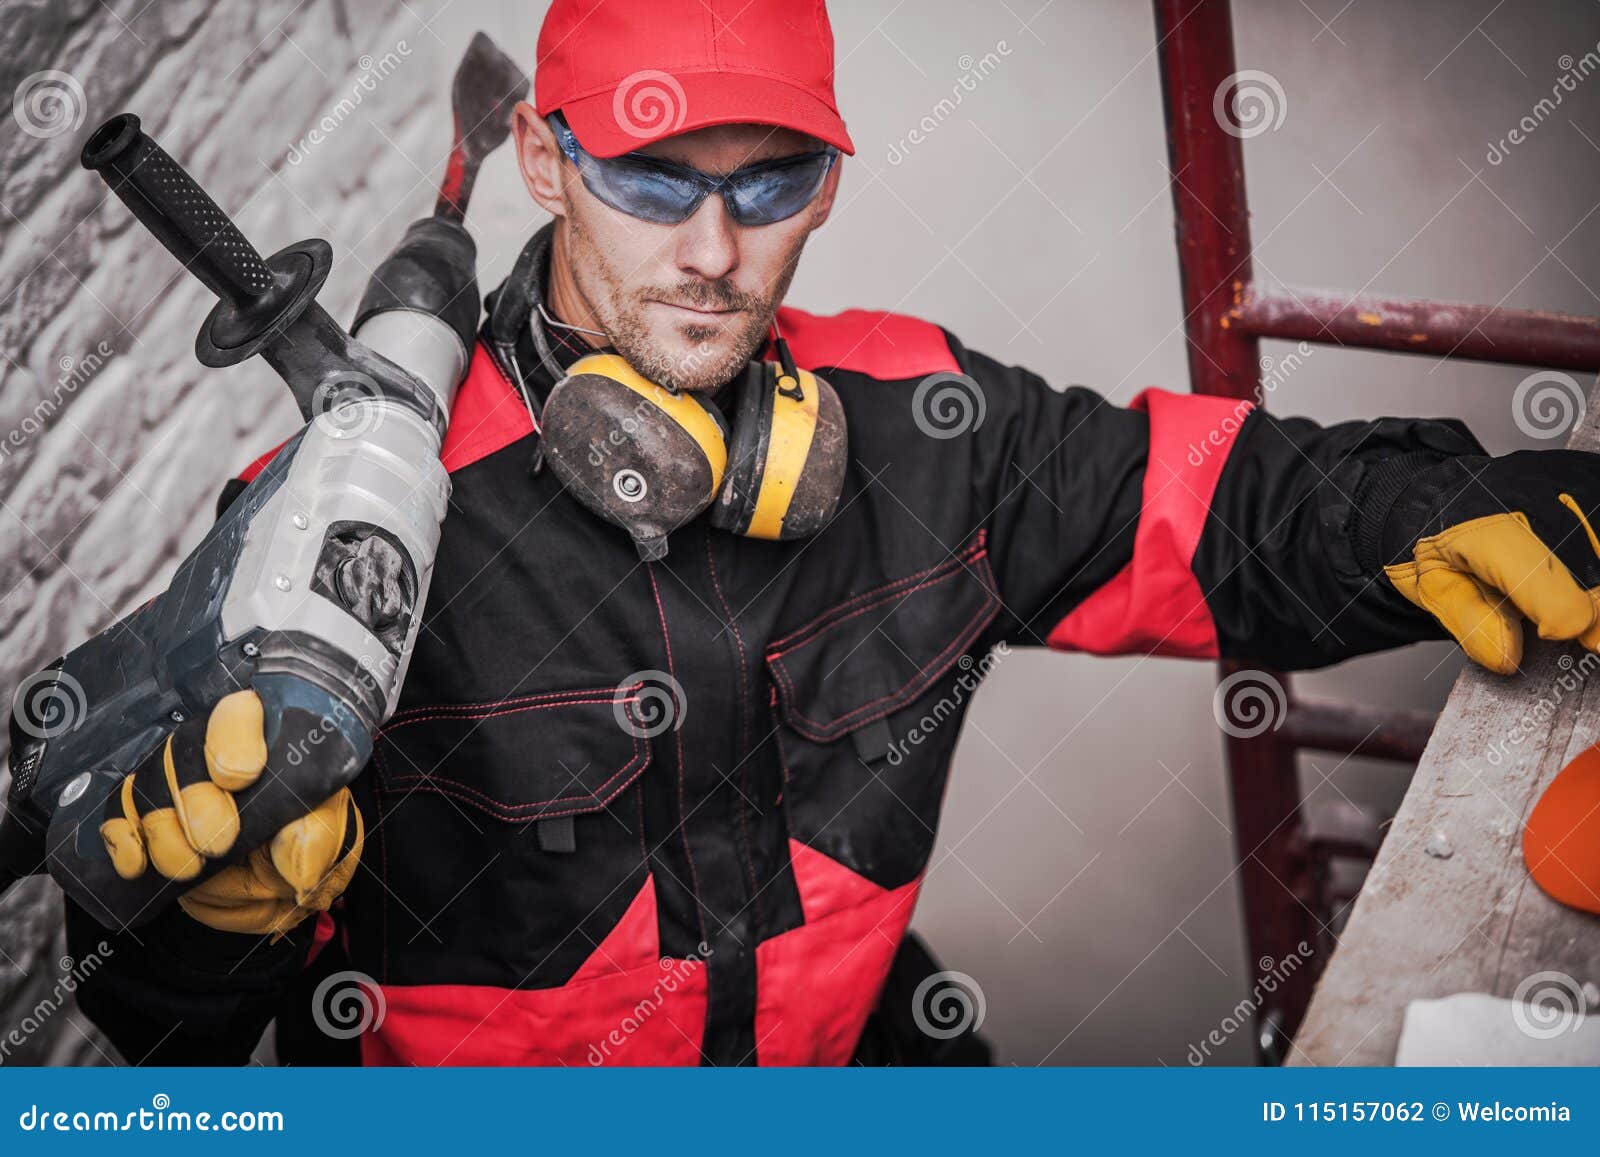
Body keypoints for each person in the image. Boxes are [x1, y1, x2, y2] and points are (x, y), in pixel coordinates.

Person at [64, 0, 1600, 1065]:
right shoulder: (346, 533)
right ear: (541, 157)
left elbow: (1213, 506)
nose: (713, 251)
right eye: (651, 178)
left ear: (830, 184)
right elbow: (153, 1023)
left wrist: (1421, 505)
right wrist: (210, 929)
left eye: (770, 183)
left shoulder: (925, 422)